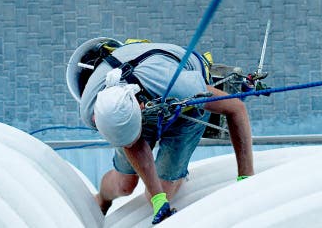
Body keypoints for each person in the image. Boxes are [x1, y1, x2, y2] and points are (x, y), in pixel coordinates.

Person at [66, 37, 254, 224]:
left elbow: (236, 108)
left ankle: (176, 175)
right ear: (95, 119)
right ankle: (102, 200)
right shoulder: (91, 108)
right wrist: (157, 200)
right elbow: (132, 143)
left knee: (164, 189)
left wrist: (246, 178)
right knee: (124, 185)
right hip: (143, 94)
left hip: (183, 105)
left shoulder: (179, 86)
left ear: (139, 108)